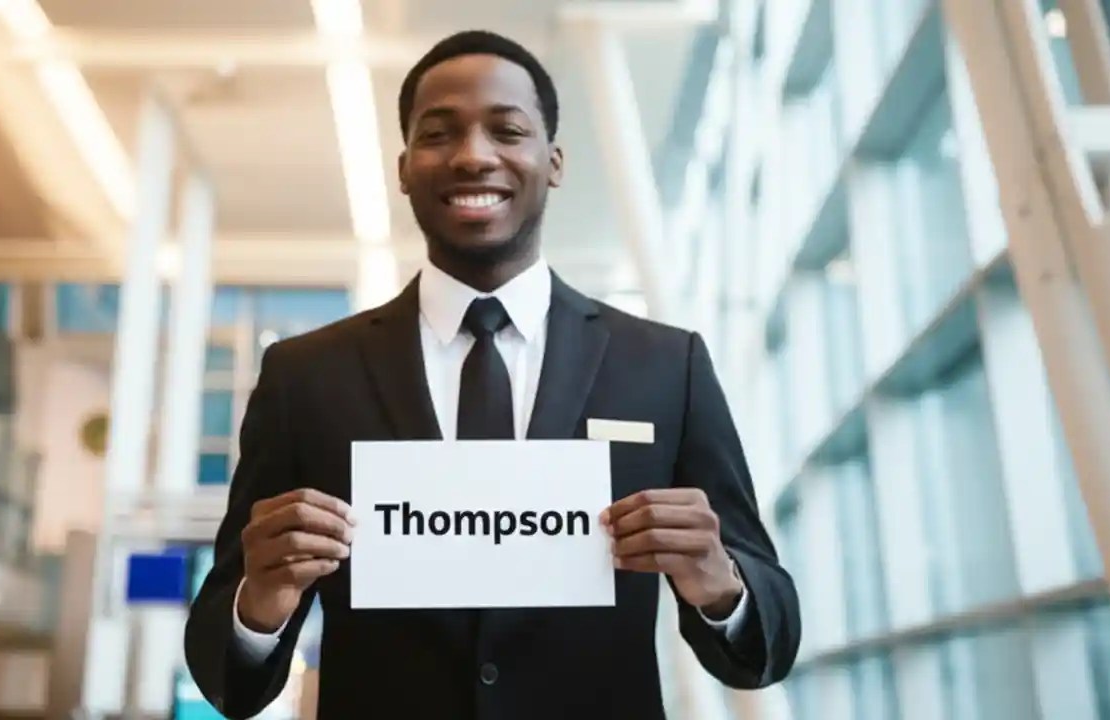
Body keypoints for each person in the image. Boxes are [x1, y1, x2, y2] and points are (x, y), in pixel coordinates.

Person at [184, 29, 800, 720]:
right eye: (439, 134)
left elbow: (765, 650)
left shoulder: (664, 365)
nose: (474, 156)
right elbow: (226, 681)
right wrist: (258, 604)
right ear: (404, 167)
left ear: (554, 160)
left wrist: (719, 584)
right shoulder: (307, 377)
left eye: (507, 130)